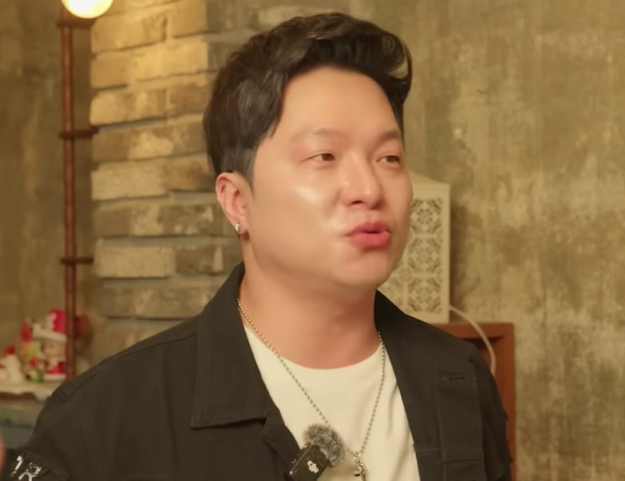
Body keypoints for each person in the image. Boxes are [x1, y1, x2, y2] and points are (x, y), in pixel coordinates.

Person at [10, 12, 511, 481]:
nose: (369, 188)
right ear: (237, 201)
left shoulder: (458, 380)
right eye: (325, 155)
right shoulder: (106, 416)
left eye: (389, 158)